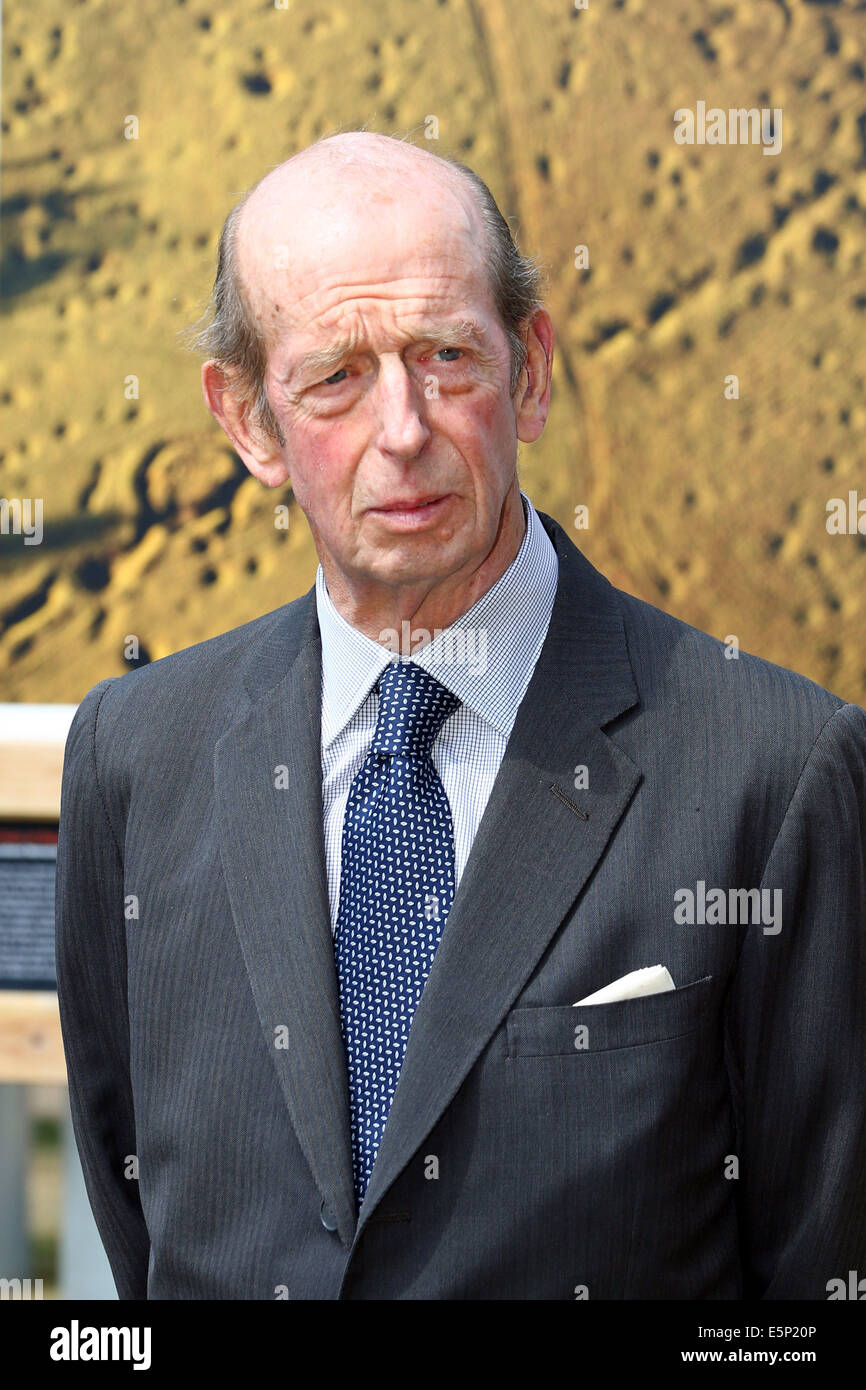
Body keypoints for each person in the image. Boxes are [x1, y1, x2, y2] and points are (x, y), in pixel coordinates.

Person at [55, 131, 866, 1300]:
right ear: (248, 421)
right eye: (335, 376)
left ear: (529, 371)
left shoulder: (774, 771)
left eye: (445, 357)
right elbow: (136, 1227)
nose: (402, 430)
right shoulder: (135, 757)